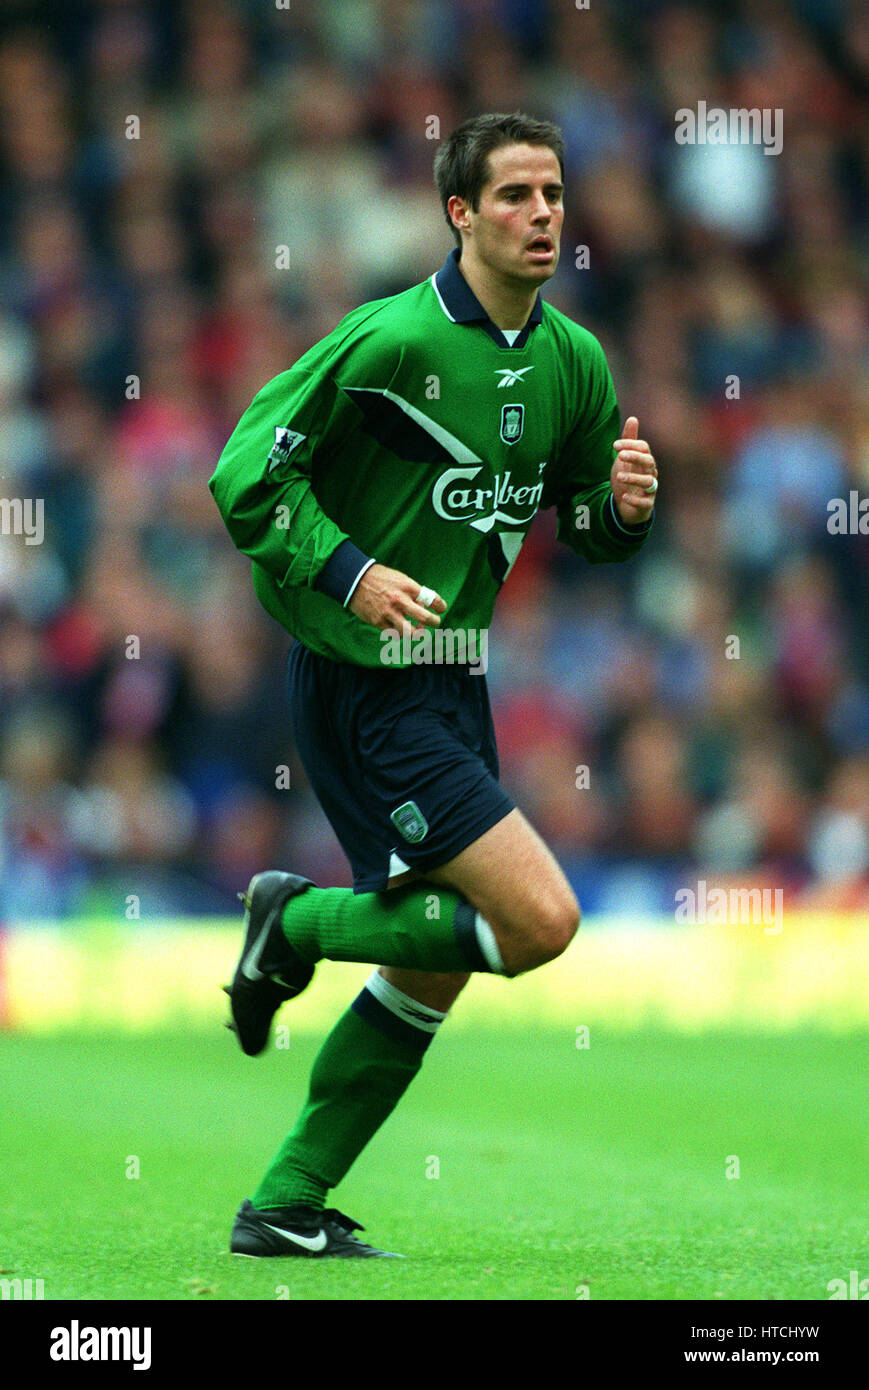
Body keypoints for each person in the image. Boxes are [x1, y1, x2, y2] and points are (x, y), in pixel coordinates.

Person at [209, 111, 658, 1259]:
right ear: (459, 214)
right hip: (368, 686)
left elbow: (578, 525)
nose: (542, 214)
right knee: (539, 919)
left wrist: (618, 512)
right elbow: (244, 466)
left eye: (552, 193)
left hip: (454, 679)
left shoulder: (573, 363)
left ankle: (284, 1205)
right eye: (513, 195)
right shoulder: (390, 339)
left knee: (433, 965)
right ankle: (293, 918)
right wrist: (350, 572)